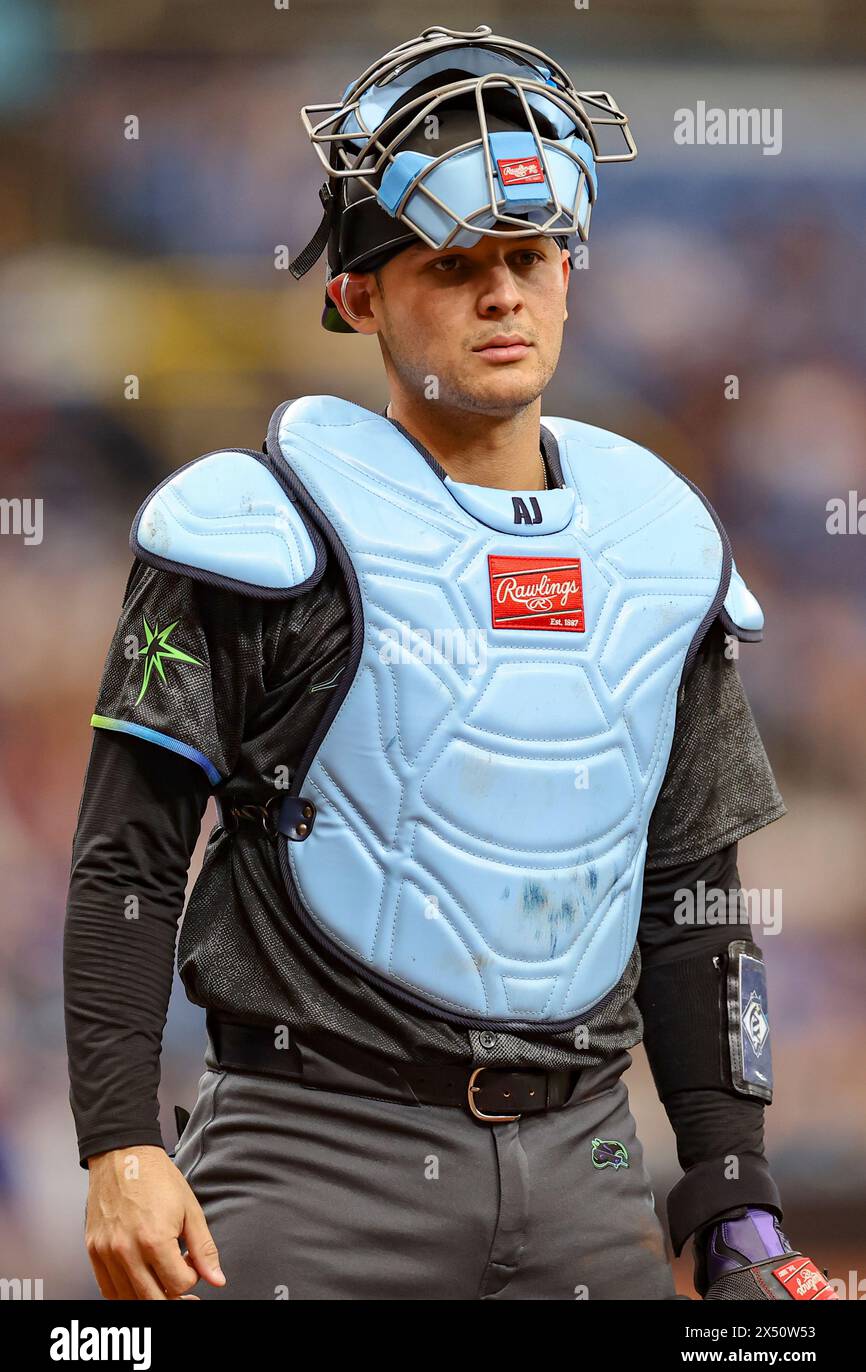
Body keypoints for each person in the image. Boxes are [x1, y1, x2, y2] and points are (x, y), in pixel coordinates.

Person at [64, 23, 837, 1301]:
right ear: (357, 293)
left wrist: (730, 1197)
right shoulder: (261, 529)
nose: (502, 296)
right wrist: (119, 1139)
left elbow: (695, 892)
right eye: (453, 264)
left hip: (586, 1161)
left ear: (570, 273)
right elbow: (127, 863)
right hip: (313, 1155)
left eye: (530, 259)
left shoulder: (656, 542)